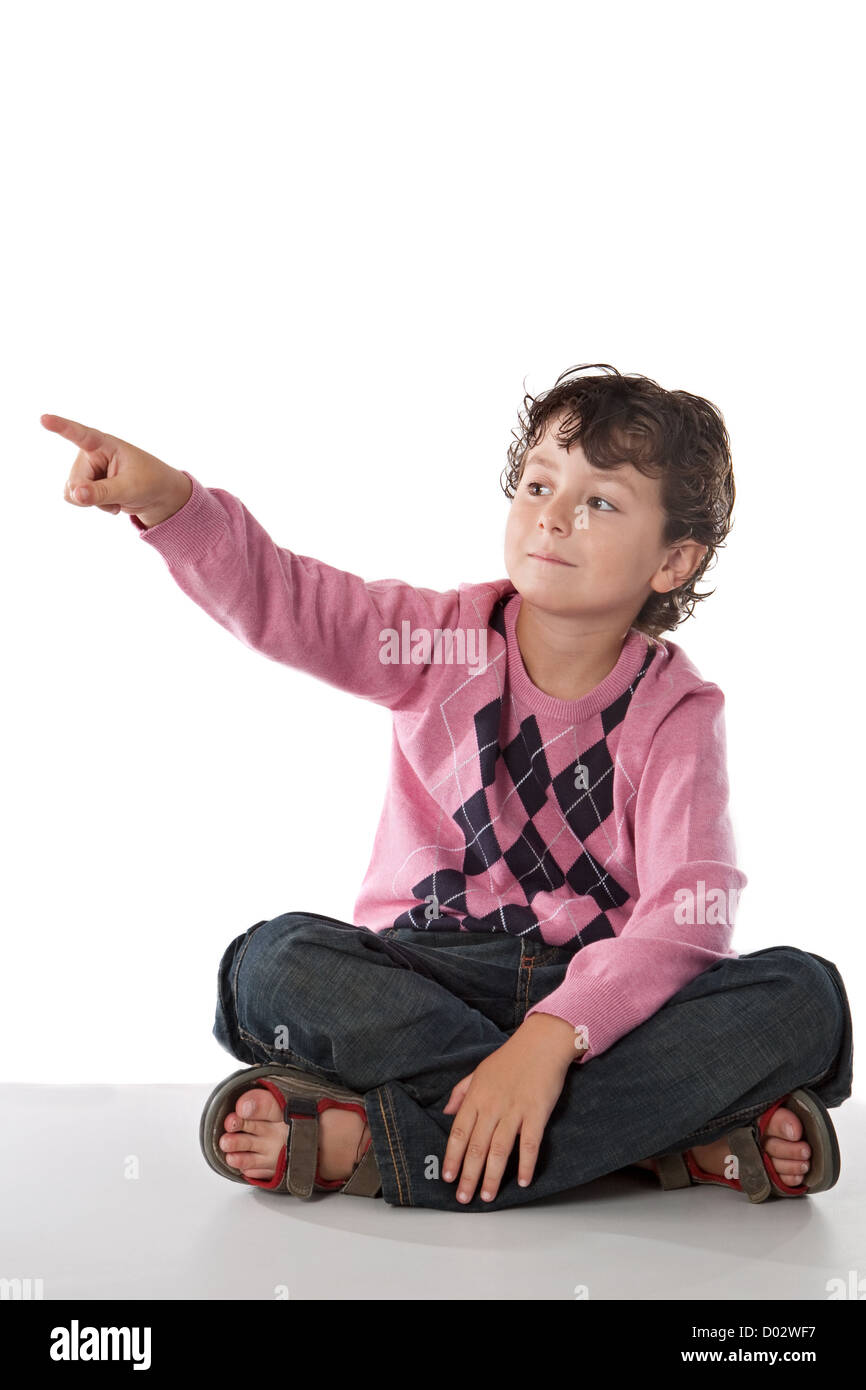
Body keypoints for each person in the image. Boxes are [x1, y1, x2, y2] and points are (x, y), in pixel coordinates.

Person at [42, 362, 853, 1212]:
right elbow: (290, 604)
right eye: (540, 483)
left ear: (674, 560)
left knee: (805, 998)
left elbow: (694, 912)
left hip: (591, 1013)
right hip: (429, 981)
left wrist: (548, 1040)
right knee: (270, 965)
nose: (554, 513)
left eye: (601, 502)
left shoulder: (675, 711)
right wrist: (175, 504)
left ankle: (391, 1146)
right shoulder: (436, 640)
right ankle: (652, 1141)